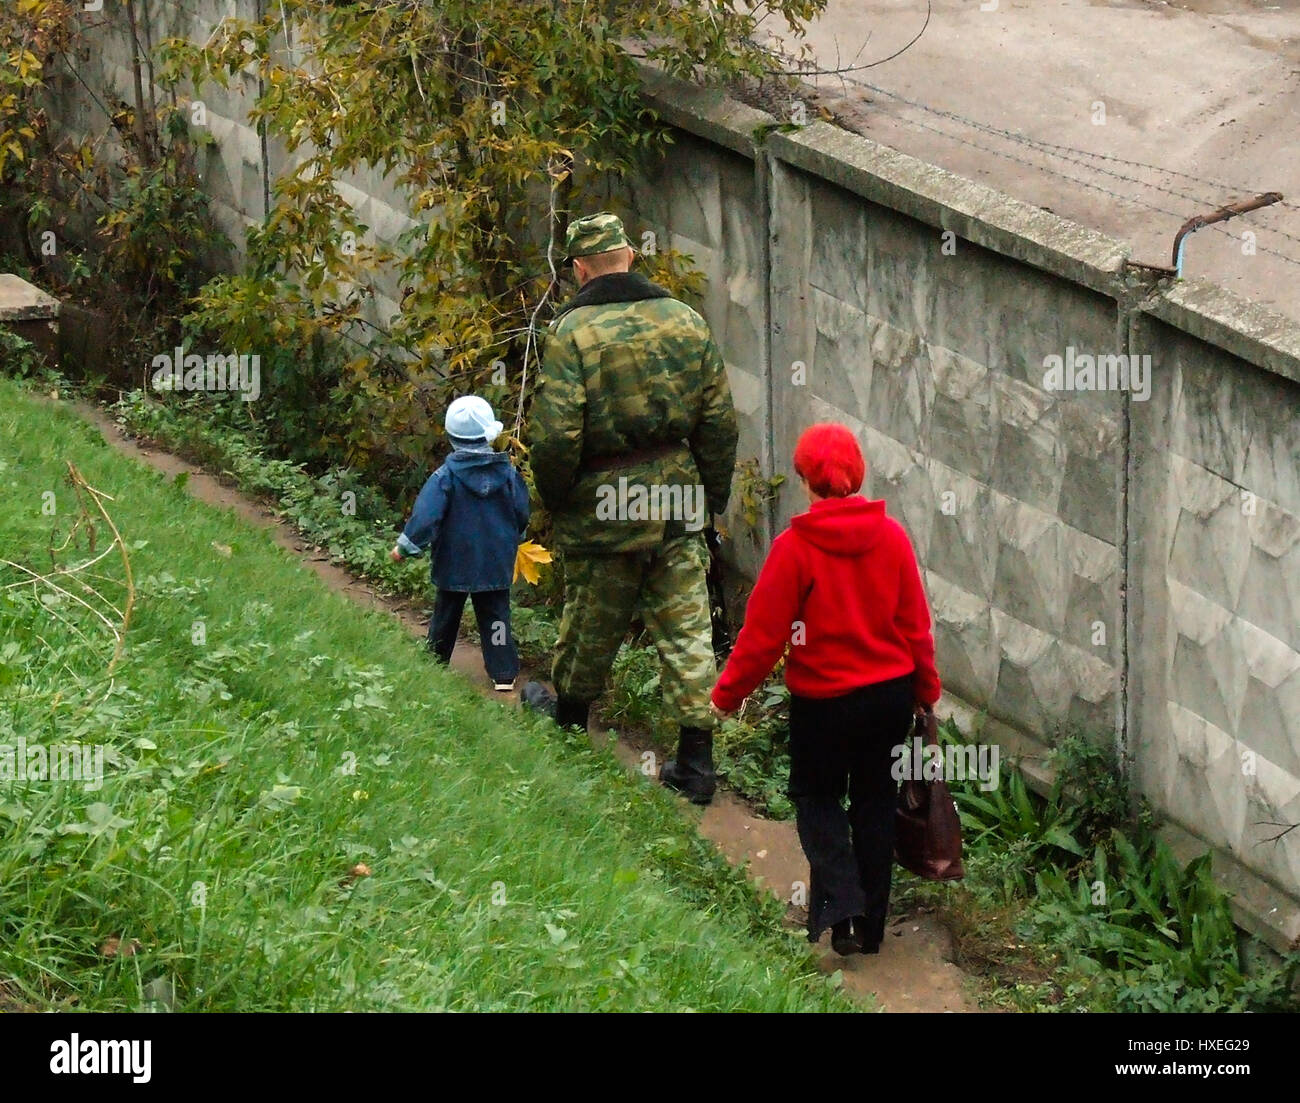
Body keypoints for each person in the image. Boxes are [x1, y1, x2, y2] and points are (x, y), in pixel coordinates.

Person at [522, 211, 738, 805]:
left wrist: (559, 499)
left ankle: (568, 723)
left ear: (579, 267)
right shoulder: (687, 321)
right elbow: (718, 423)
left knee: (592, 618)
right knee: (688, 629)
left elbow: (557, 435)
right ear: (629, 258)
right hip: (675, 500)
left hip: (606, 502)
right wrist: (709, 502)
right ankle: (696, 764)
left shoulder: (572, 333)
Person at [710, 423, 941, 955]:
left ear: (807, 482)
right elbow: (915, 626)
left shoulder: (796, 549)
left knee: (815, 795)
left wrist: (726, 695)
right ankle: (867, 928)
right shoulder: (893, 538)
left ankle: (843, 905)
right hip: (888, 696)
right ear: (856, 476)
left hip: (824, 704)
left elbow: (763, 637)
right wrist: (925, 689)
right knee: (875, 801)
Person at [390, 395, 530, 691]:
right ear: (489, 434)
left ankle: (435, 659)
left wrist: (406, 546)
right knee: (495, 615)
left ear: (450, 436)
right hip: (494, 559)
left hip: (454, 558)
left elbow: (426, 516)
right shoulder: (508, 474)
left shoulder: (445, 478)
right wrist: (512, 535)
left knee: (447, 611)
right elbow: (522, 511)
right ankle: (503, 672)